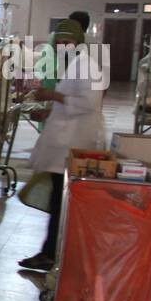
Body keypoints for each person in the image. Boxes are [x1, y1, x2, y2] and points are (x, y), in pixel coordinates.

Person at [18, 19, 105, 270]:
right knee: (60, 199)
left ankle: (52, 254)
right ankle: (53, 251)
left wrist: (52, 95)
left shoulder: (86, 66)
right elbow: (73, 101)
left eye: (67, 43)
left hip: (75, 142)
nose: (62, 47)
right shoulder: (74, 64)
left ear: (78, 42)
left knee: (62, 200)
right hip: (66, 139)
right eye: (59, 43)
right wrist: (48, 111)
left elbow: (89, 103)